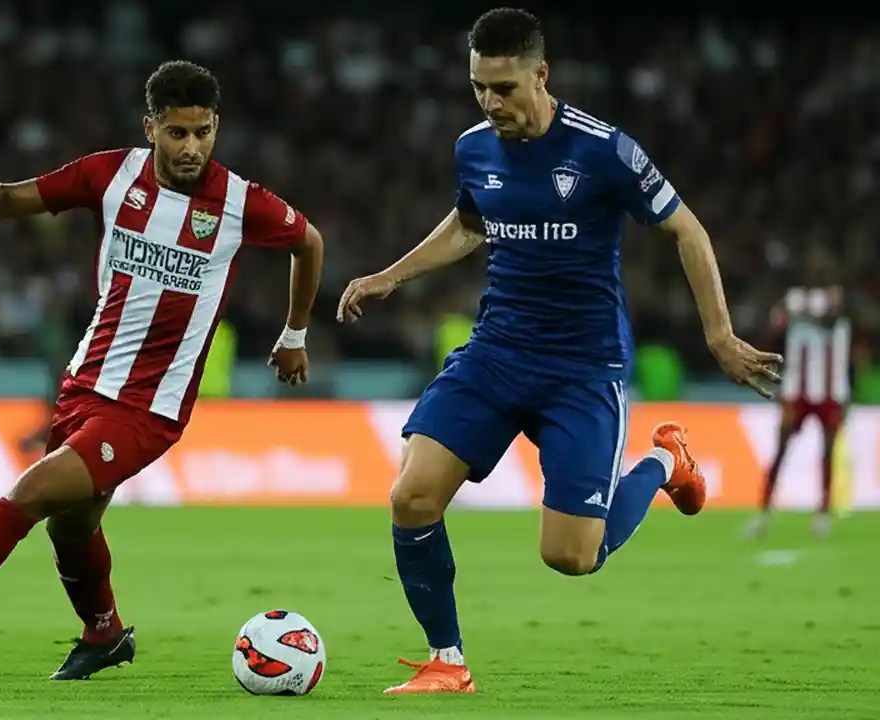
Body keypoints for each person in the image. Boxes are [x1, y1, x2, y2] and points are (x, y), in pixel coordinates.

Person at [336, 8, 781, 695]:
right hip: (497, 353)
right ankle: (447, 662)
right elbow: (468, 224)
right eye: (479, 87)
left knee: (573, 557)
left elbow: (687, 231)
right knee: (412, 496)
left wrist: (719, 335)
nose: (490, 102)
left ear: (541, 75)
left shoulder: (604, 151)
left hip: (581, 368)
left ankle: (665, 459)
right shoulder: (474, 148)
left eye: (505, 88)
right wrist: (391, 275)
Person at [0, 60, 325, 680]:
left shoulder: (237, 202)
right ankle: (105, 635)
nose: (192, 147)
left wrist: (295, 334)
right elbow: (8, 203)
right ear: (150, 127)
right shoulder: (110, 174)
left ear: (216, 127)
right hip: (83, 386)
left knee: (28, 497)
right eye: (177, 133)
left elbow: (307, 242)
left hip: (147, 410)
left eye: (203, 132)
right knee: (71, 530)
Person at [749, 280, 860, 538]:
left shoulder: (840, 308)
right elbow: (770, 332)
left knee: (828, 452)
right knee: (781, 451)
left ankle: (822, 512)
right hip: (796, 391)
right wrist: (783, 315)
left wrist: (800, 313)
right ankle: (764, 511)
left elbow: (834, 320)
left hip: (832, 393)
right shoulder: (794, 299)